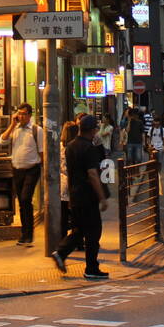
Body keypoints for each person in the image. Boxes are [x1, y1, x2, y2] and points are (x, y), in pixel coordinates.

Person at [50, 113, 110, 280]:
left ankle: (61, 253)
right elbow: (92, 174)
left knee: (79, 230)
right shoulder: (88, 148)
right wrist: (102, 197)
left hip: (74, 195)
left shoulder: (70, 146)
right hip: (88, 196)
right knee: (93, 232)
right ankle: (91, 267)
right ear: (92, 130)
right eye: (96, 129)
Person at [0, 103, 43, 247]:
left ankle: (28, 234)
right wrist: (12, 125)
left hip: (32, 168)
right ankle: (24, 234)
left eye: (24, 114)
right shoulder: (15, 130)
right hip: (17, 169)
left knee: (25, 199)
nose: (21, 116)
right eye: (19, 113)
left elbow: (42, 153)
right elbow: (2, 141)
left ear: (30, 115)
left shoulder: (37, 130)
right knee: (22, 202)